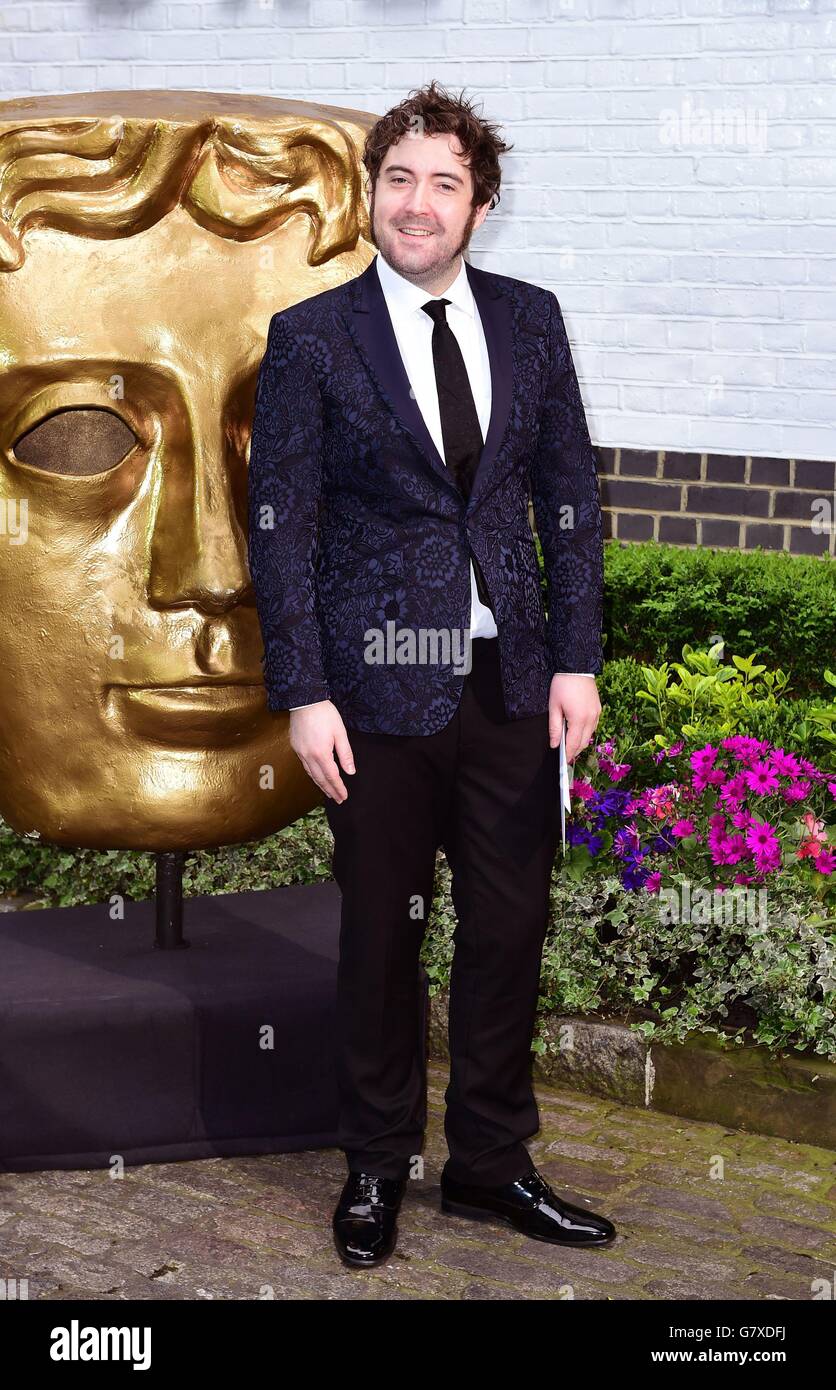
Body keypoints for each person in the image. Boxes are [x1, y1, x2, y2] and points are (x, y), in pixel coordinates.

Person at [248, 80, 616, 1268]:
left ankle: (492, 1167)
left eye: (441, 182)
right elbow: (283, 526)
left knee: (508, 932)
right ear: (372, 194)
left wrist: (574, 659)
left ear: (481, 201)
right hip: (371, 698)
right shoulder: (311, 336)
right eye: (396, 179)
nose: (416, 203)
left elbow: (568, 503)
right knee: (378, 942)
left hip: (508, 684)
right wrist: (303, 691)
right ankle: (373, 1168)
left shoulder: (530, 319)